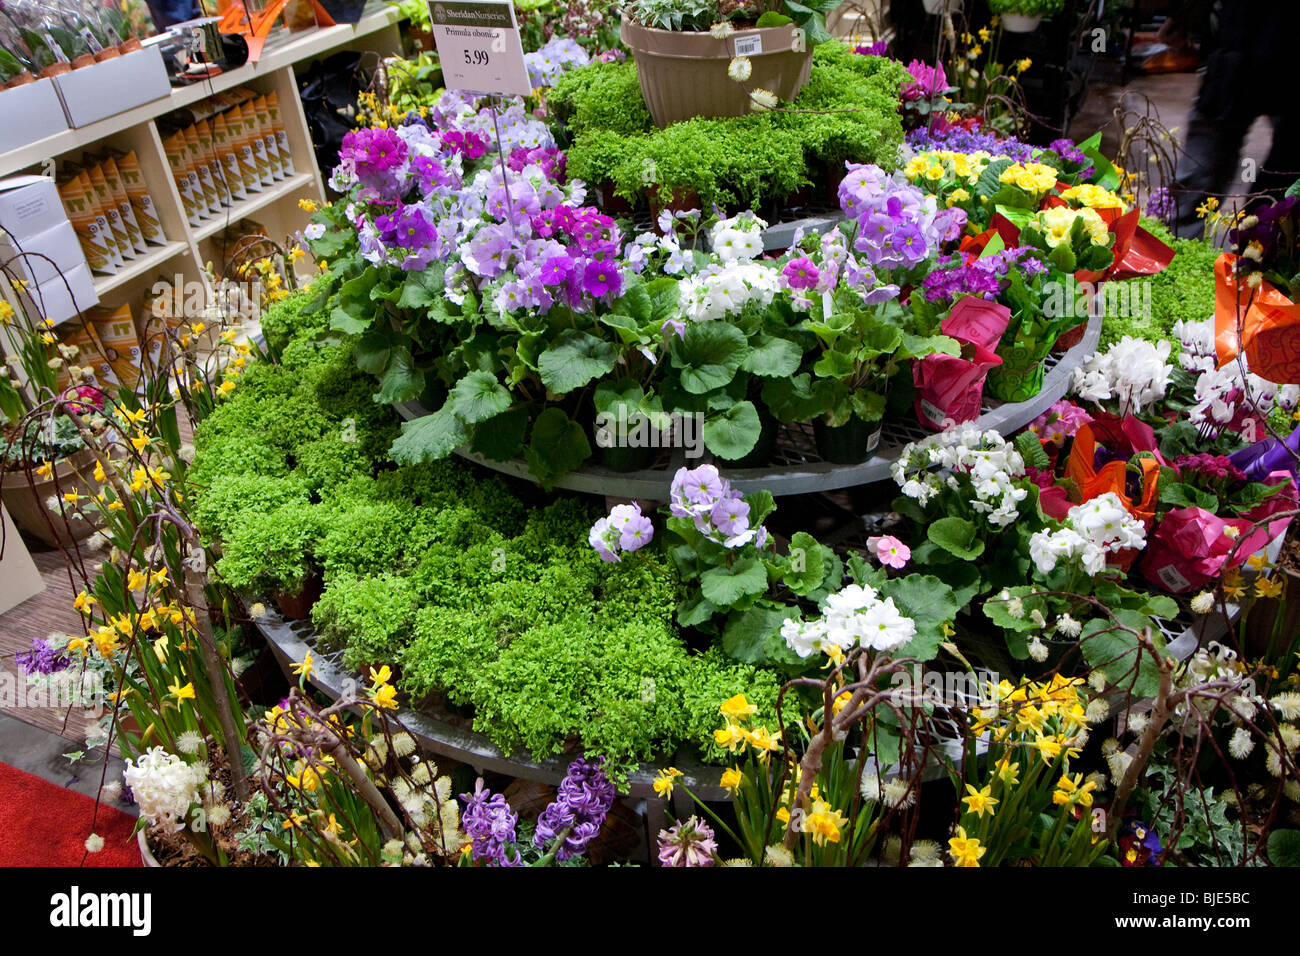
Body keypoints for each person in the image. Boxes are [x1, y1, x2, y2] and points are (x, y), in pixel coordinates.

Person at [1169, 0, 1300, 238]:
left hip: (1257, 42)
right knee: (1203, 172)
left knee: (1283, 182)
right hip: (1241, 46)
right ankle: (1178, 249)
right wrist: (1184, 16)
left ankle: (1258, 245)